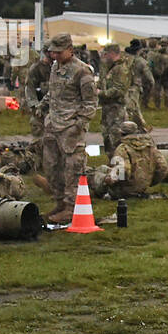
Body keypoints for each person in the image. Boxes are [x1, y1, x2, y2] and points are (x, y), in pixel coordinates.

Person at [41, 33, 98, 222]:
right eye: (52, 52)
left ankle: (72, 206)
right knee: (51, 166)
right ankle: (59, 203)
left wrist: (79, 124)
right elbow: (53, 92)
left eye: (58, 52)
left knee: (72, 168)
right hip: (53, 124)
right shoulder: (55, 67)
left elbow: (90, 102)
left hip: (71, 127)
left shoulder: (82, 71)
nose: (54, 55)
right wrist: (42, 106)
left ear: (70, 50)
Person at [89, 121, 168, 198]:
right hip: (142, 188)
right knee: (103, 168)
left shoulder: (123, 148)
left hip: (122, 191)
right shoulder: (150, 147)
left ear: (121, 133)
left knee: (93, 174)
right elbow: (163, 167)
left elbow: (123, 171)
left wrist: (107, 180)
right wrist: (150, 182)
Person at [97, 43, 132, 155]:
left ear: (112, 53)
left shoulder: (121, 69)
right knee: (107, 136)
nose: (104, 57)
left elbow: (119, 89)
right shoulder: (110, 67)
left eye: (106, 54)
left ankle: (118, 163)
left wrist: (101, 93)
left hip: (116, 108)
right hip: (108, 108)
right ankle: (111, 161)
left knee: (115, 138)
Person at [23, 46, 54, 137]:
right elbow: (30, 88)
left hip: (55, 107)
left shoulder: (58, 68)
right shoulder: (36, 68)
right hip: (40, 105)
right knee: (39, 134)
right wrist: (35, 106)